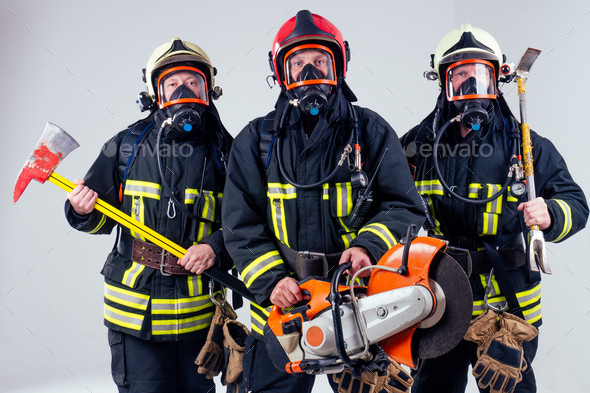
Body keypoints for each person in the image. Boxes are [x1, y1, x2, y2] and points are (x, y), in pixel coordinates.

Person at [222, 10, 425, 393]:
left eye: (319, 61)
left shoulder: (370, 131)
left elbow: (406, 206)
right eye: (297, 63)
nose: (308, 72)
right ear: (280, 72)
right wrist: (272, 281)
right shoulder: (256, 140)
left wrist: (367, 247)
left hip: (358, 299)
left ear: (339, 65)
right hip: (285, 305)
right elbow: (239, 222)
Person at [400, 23, 588, 392]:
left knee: (507, 386)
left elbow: (576, 204)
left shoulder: (526, 146)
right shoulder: (415, 146)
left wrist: (551, 213)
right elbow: (388, 207)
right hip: (440, 299)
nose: (472, 87)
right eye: (460, 77)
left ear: (498, 78)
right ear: (443, 82)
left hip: (507, 303)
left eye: (481, 76)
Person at [65, 37, 233, 392]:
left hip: (198, 315)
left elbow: (245, 224)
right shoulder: (125, 145)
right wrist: (81, 210)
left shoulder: (226, 153)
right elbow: (101, 219)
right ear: (154, 93)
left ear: (208, 90)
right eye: (172, 84)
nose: (182, 91)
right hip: (133, 314)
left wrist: (216, 247)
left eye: (192, 82)